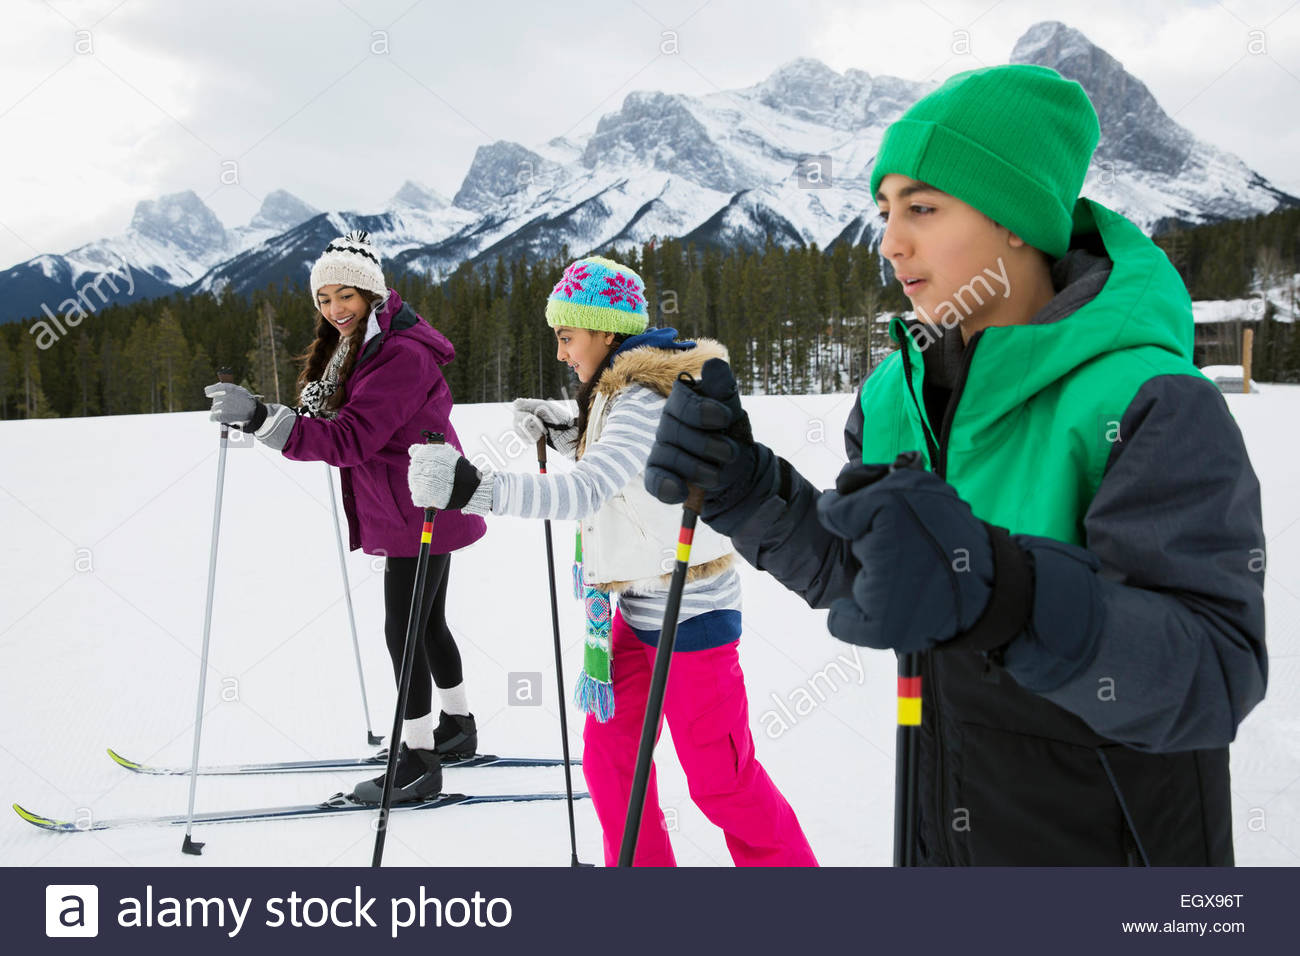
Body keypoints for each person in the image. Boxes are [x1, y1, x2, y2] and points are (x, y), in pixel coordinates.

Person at [642, 65, 1268, 865]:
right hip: (943, 829)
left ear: (1017, 220)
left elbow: (1212, 675)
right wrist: (747, 487)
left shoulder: (1148, 399)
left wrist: (1009, 593)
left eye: (924, 209)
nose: (890, 242)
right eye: (884, 212)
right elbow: (870, 575)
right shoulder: (895, 399)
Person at [406, 255, 818, 866]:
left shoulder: (643, 396)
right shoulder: (620, 388)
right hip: (640, 610)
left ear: (605, 332)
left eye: (568, 337)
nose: (562, 353)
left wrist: (474, 488)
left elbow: (587, 491)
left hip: (692, 618)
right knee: (611, 759)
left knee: (720, 783)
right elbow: (632, 472)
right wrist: (573, 433)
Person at [204, 231, 486, 804]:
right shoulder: (367, 343)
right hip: (418, 498)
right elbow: (351, 423)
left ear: (372, 293)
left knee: (403, 632)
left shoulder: (400, 353)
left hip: (419, 506)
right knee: (425, 626)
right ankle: (455, 729)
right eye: (324, 299)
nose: (335, 310)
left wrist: (262, 419)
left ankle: (419, 760)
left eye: (345, 296)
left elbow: (351, 439)